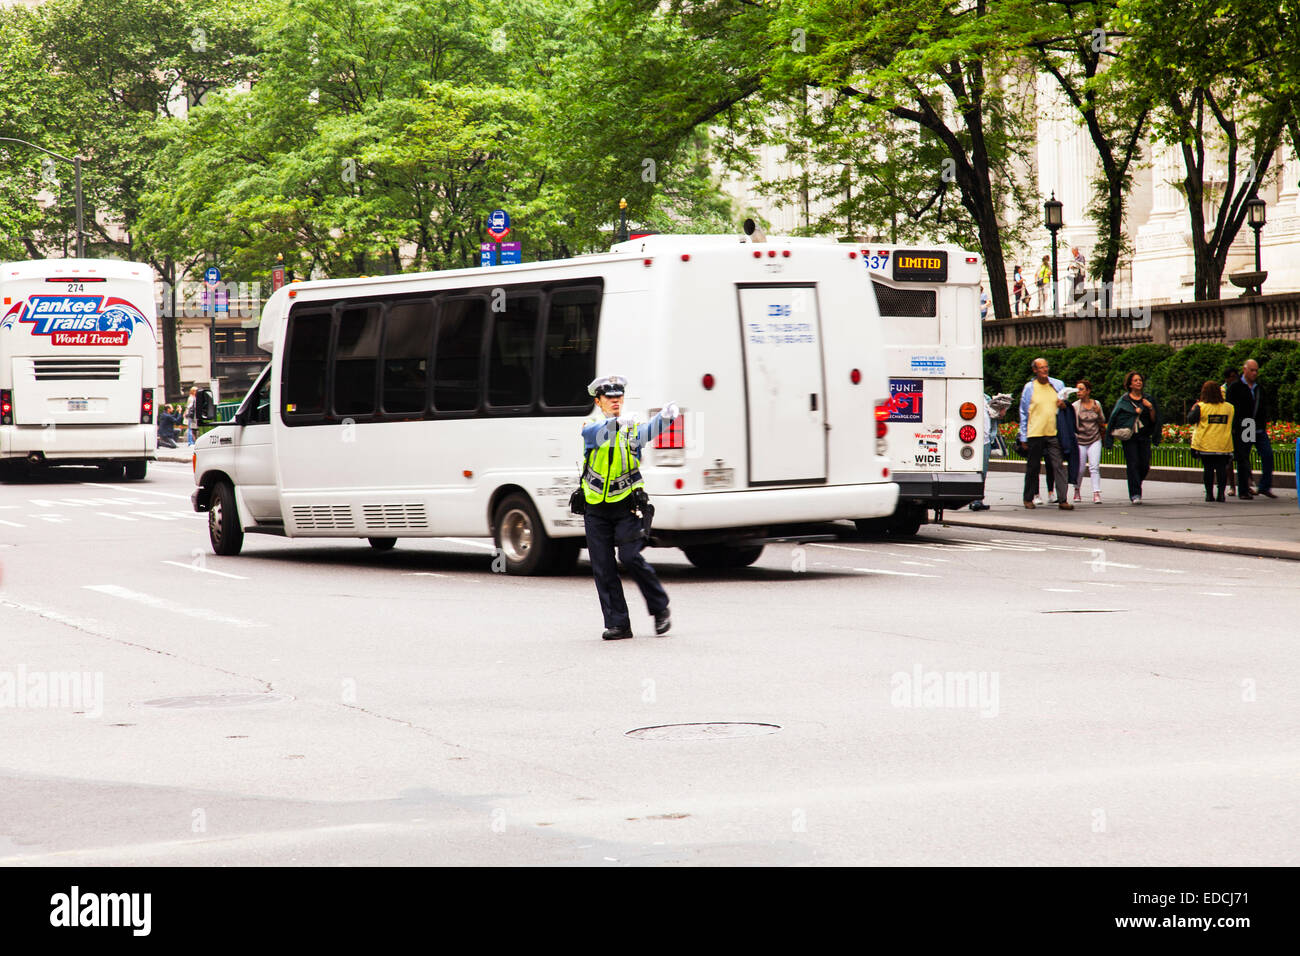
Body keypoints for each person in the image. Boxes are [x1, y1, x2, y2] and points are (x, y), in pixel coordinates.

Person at [580, 375, 676, 641]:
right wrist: (614, 424)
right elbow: (592, 436)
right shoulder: (592, 426)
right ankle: (618, 624)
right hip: (595, 507)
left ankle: (660, 609)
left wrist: (666, 418)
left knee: (630, 556)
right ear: (598, 401)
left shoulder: (632, 428)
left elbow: (648, 432)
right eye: (609, 398)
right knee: (603, 567)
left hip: (627, 506)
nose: (615, 402)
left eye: (618, 397)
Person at [1016, 358, 1073, 510]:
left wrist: (1063, 405)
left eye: (1046, 367)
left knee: (1058, 465)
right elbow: (1023, 412)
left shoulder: (1057, 384)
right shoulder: (1029, 387)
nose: (1044, 370)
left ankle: (1062, 499)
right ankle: (1028, 498)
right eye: (1041, 368)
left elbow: (1065, 404)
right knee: (1033, 466)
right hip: (1035, 432)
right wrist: (1023, 436)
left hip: (1053, 432)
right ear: (1035, 370)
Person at [1225, 358, 1275, 499]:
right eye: (1252, 370)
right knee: (1243, 458)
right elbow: (1230, 408)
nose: (1254, 373)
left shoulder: (1258, 387)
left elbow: (1264, 405)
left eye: (1256, 370)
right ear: (1245, 370)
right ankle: (1243, 490)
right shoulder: (1235, 387)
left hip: (1257, 426)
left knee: (1267, 455)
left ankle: (1264, 487)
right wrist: (1235, 426)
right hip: (1245, 425)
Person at [1107, 371, 1160, 504]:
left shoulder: (1148, 399)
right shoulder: (1124, 400)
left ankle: (1136, 482)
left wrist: (1150, 407)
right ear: (1130, 384)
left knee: (1144, 465)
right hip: (1130, 436)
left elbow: (1155, 419)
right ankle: (1135, 493)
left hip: (1144, 436)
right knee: (1133, 464)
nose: (1138, 382)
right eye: (1135, 380)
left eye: (1140, 380)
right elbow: (1115, 417)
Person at [1188, 380, 1235, 502]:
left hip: (1206, 445)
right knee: (1221, 469)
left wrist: (1193, 409)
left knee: (1208, 469)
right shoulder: (1229, 408)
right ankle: (1221, 494)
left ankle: (1209, 494)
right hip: (1223, 445)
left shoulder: (1201, 407)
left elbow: (1190, 420)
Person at [1072, 379, 1106, 503]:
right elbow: (1073, 425)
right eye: (1077, 390)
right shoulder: (1075, 406)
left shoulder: (1096, 404)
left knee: (1094, 467)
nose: (1078, 392)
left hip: (1094, 439)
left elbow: (1102, 420)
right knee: (1080, 468)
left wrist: (1098, 413)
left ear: (1088, 391)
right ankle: (1077, 490)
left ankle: (1096, 493)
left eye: (1081, 389)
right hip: (1080, 440)